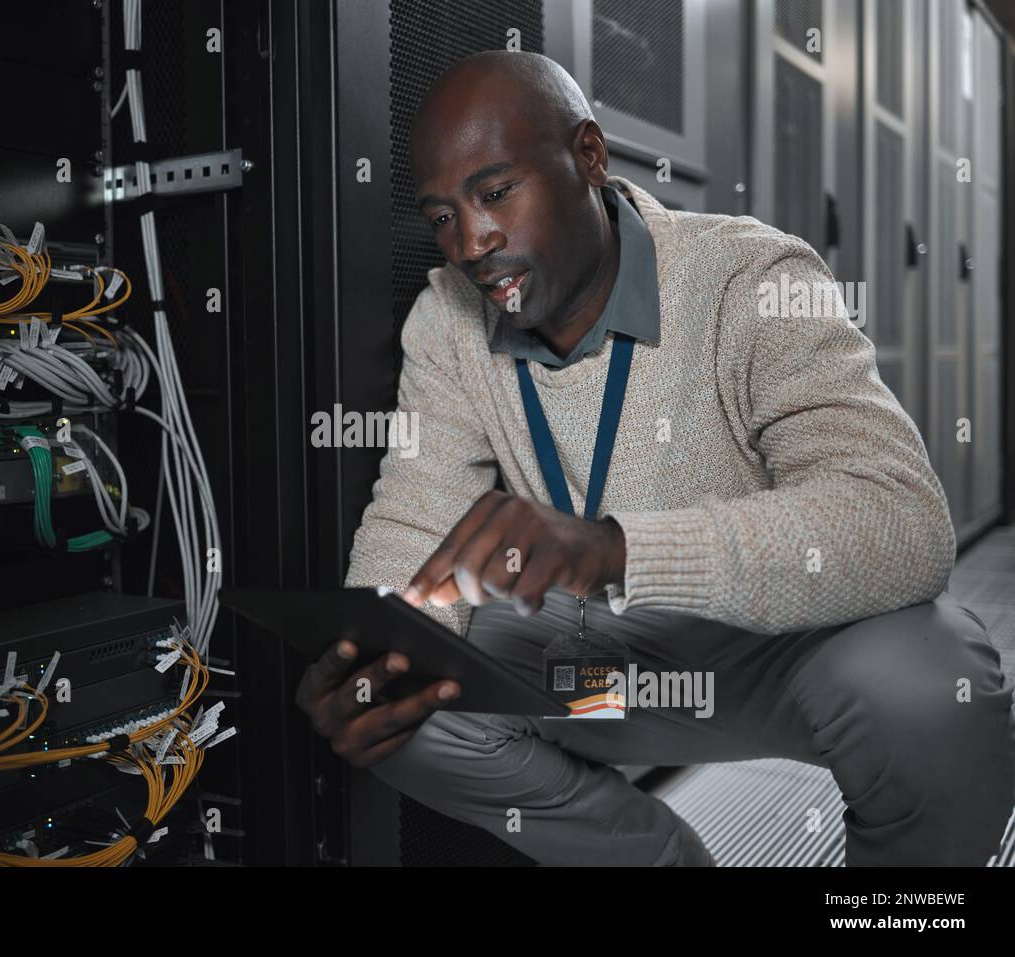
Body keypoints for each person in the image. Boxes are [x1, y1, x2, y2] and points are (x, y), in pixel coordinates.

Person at [294, 51, 1015, 866]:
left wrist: (615, 548)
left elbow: (904, 521)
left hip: (780, 665)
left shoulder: (750, 276)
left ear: (590, 157)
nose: (472, 241)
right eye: (441, 216)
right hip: (609, 685)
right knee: (411, 693)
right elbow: (412, 515)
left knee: (929, 682)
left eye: (495, 193)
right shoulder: (449, 321)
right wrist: (376, 659)